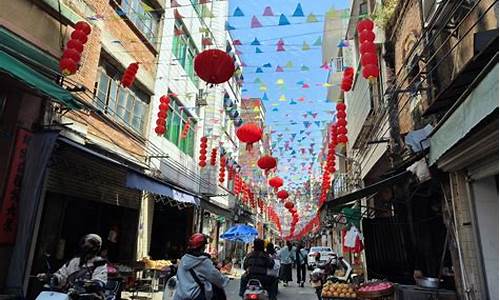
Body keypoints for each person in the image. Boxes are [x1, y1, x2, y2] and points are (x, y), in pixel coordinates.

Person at [37, 234, 107, 295]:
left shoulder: (99, 263)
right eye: (84, 244)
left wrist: (86, 285)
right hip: (68, 295)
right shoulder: (74, 261)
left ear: (95, 248)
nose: (85, 247)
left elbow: (99, 282)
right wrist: (50, 277)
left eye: (89, 245)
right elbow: (62, 276)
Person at [174, 233, 229, 300]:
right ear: (202, 247)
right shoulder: (203, 261)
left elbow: (178, 276)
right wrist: (225, 280)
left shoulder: (184, 259)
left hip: (179, 296)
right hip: (195, 296)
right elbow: (215, 276)